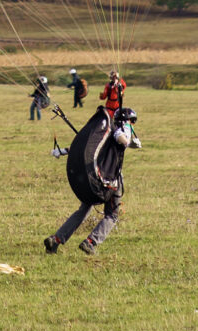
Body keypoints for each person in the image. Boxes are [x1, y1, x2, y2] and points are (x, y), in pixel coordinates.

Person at [44, 74, 139, 258]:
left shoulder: (102, 133)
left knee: (83, 210)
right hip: (108, 183)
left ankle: (56, 239)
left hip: (93, 179)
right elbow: (123, 140)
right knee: (112, 215)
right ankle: (91, 241)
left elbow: (84, 148)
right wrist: (126, 132)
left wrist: (62, 152)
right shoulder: (118, 132)